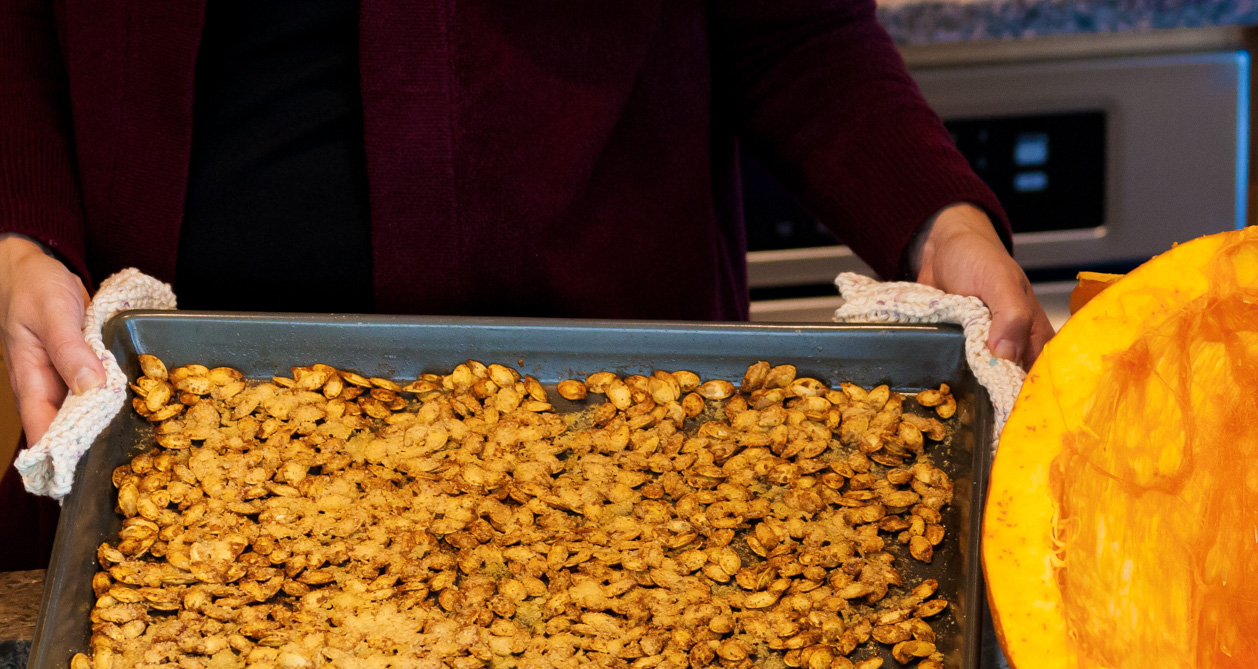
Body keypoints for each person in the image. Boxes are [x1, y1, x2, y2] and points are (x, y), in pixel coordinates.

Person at [0, 0, 1053, 570]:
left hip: (613, 464)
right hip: (169, 462)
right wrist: (19, 235)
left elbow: (792, 30)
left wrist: (939, 219)